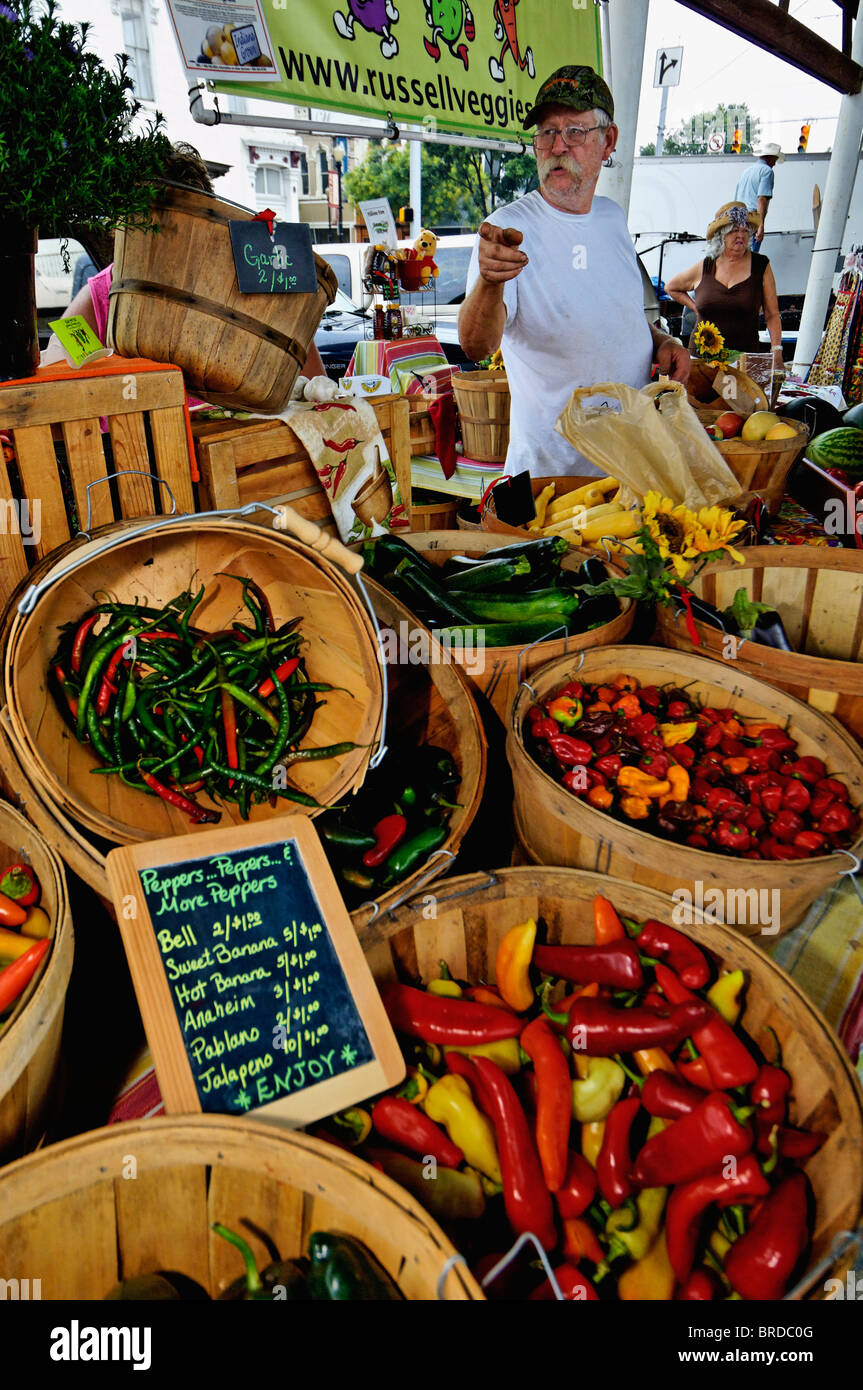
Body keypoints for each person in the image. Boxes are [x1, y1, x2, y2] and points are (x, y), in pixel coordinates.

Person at [458, 64, 689, 479]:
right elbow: (476, 346)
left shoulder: (611, 218)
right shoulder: (507, 232)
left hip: (629, 470)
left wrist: (660, 340)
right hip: (552, 480)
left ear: (608, 141)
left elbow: (620, 315)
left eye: (575, 131)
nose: (558, 146)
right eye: (547, 132)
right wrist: (489, 284)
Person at [42, 142, 327, 379]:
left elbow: (313, 382)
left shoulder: (248, 273)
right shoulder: (100, 295)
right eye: (150, 227)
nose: (163, 244)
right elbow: (59, 372)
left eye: (178, 229)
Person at [665, 201, 783, 366]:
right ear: (722, 235)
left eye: (745, 230)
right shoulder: (706, 266)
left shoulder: (761, 266)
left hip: (742, 360)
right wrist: (695, 307)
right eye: (734, 230)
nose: (741, 235)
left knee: (741, 393)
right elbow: (671, 287)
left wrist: (776, 350)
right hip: (701, 359)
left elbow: (772, 314)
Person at [734, 142, 784, 249]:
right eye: (775, 159)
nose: (775, 163)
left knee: (739, 256)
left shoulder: (746, 172)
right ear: (771, 157)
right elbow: (762, 198)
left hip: (737, 219)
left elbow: (736, 198)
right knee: (751, 258)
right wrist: (761, 225)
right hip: (752, 219)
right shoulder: (767, 171)